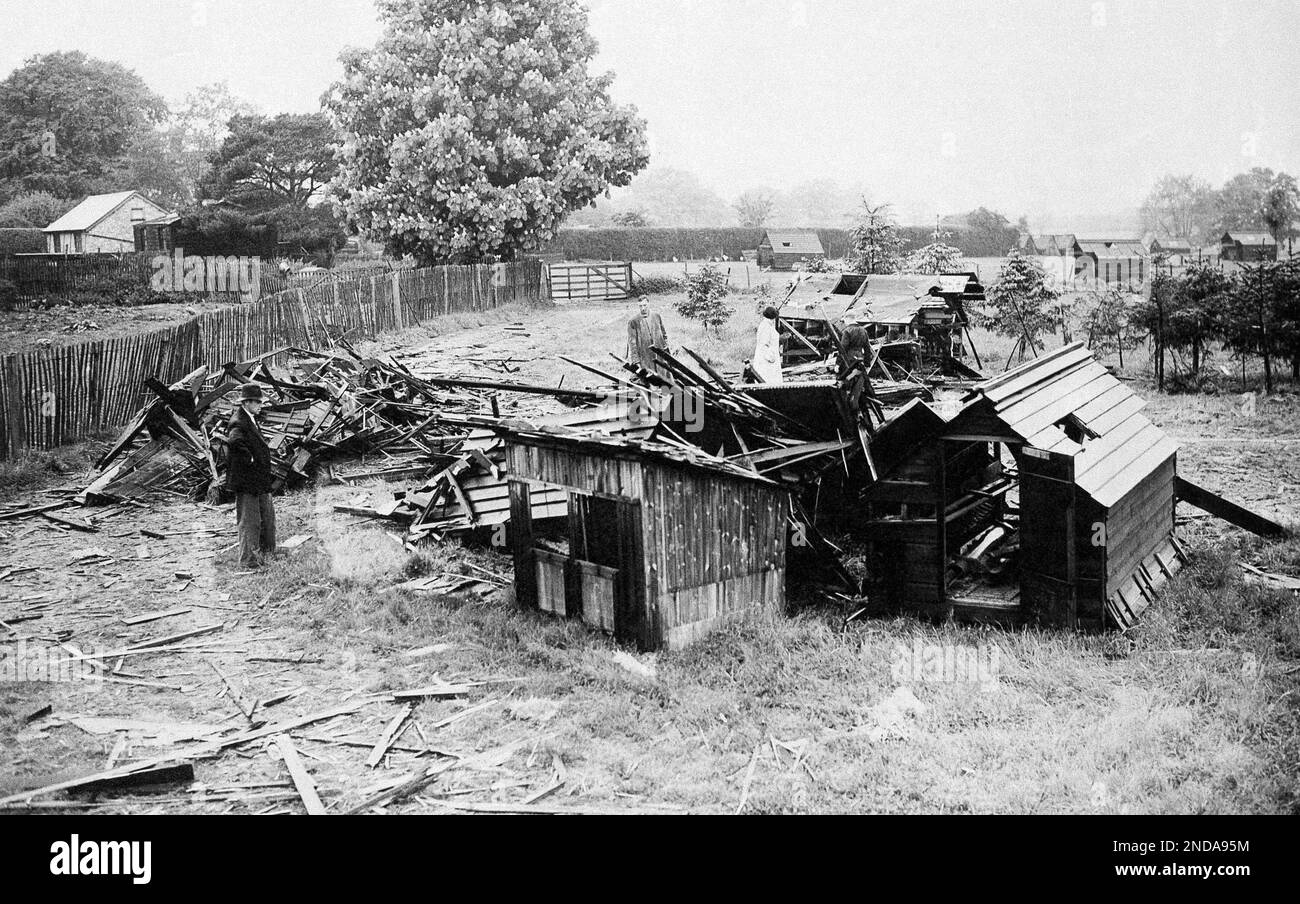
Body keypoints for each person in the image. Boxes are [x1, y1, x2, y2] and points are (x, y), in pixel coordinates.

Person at [226, 382, 277, 568]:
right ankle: (248, 561)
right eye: (257, 403)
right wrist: (252, 461)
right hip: (248, 481)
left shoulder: (250, 418)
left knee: (266, 517)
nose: (260, 406)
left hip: (259, 480)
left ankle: (266, 554)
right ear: (247, 402)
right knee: (249, 521)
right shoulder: (238, 422)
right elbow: (235, 443)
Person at [626, 296, 669, 375]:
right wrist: (636, 361)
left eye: (645, 305)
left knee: (664, 381)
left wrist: (666, 349)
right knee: (649, 381)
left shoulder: (656, 316)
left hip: (660, 356)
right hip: (645, 357)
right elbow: (632, 344)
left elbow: (664, 334)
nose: (643, 308)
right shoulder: (633, 321)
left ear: (649, 304)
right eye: (640, 306)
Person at [752, 305, 783, 383]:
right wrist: (770, 357)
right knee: (767, 378)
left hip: (771, 356)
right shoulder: (765, 326)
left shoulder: (769, 325)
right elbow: (763, 344)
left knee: (773, 379)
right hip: (766, 359)